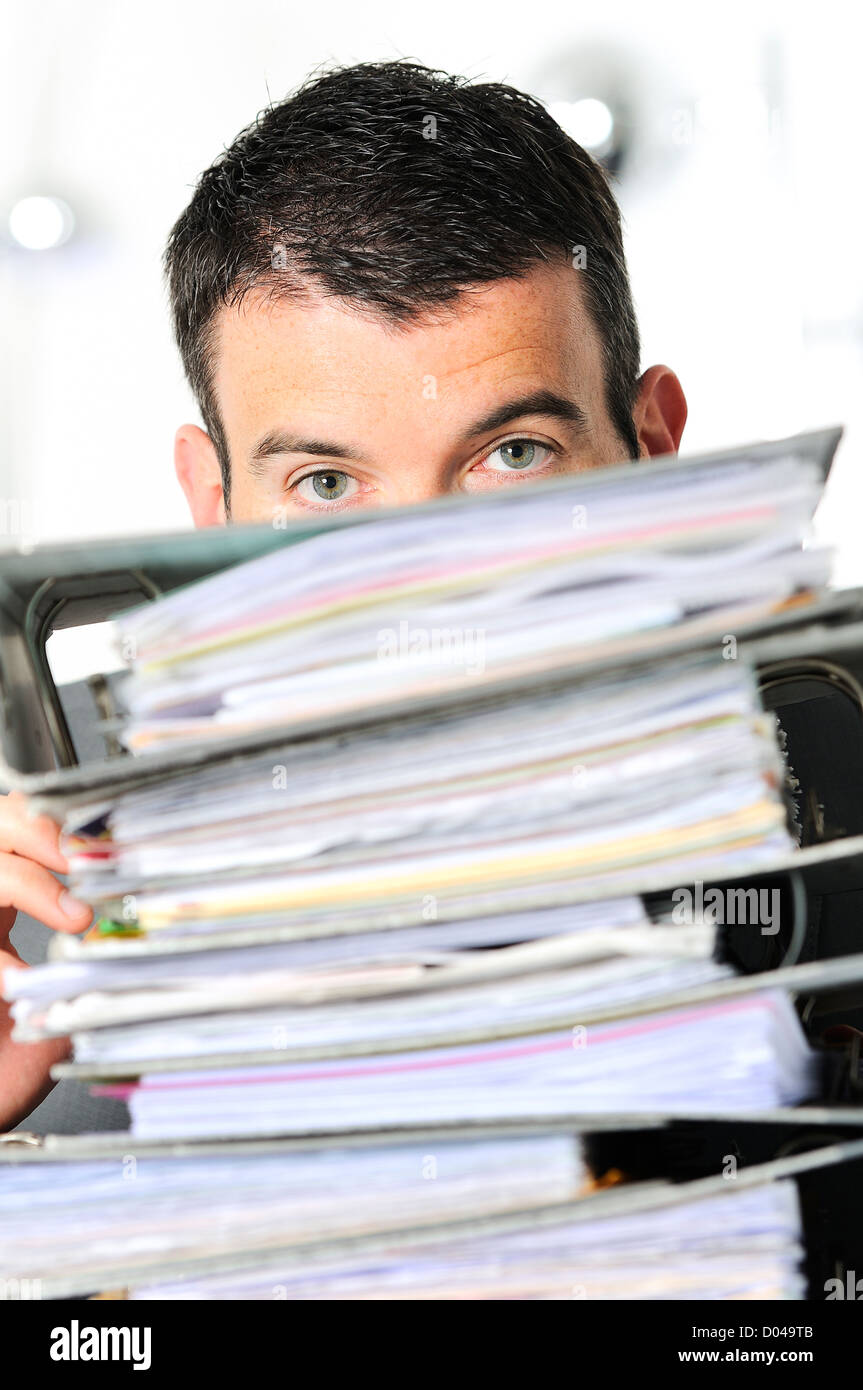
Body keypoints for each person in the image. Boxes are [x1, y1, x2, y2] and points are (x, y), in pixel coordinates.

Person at [0, 59, 687, 1133]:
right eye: (325, 484)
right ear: (211, 501)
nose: (416, 582)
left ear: (650, 449)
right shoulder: (42, 872)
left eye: (512, 454)